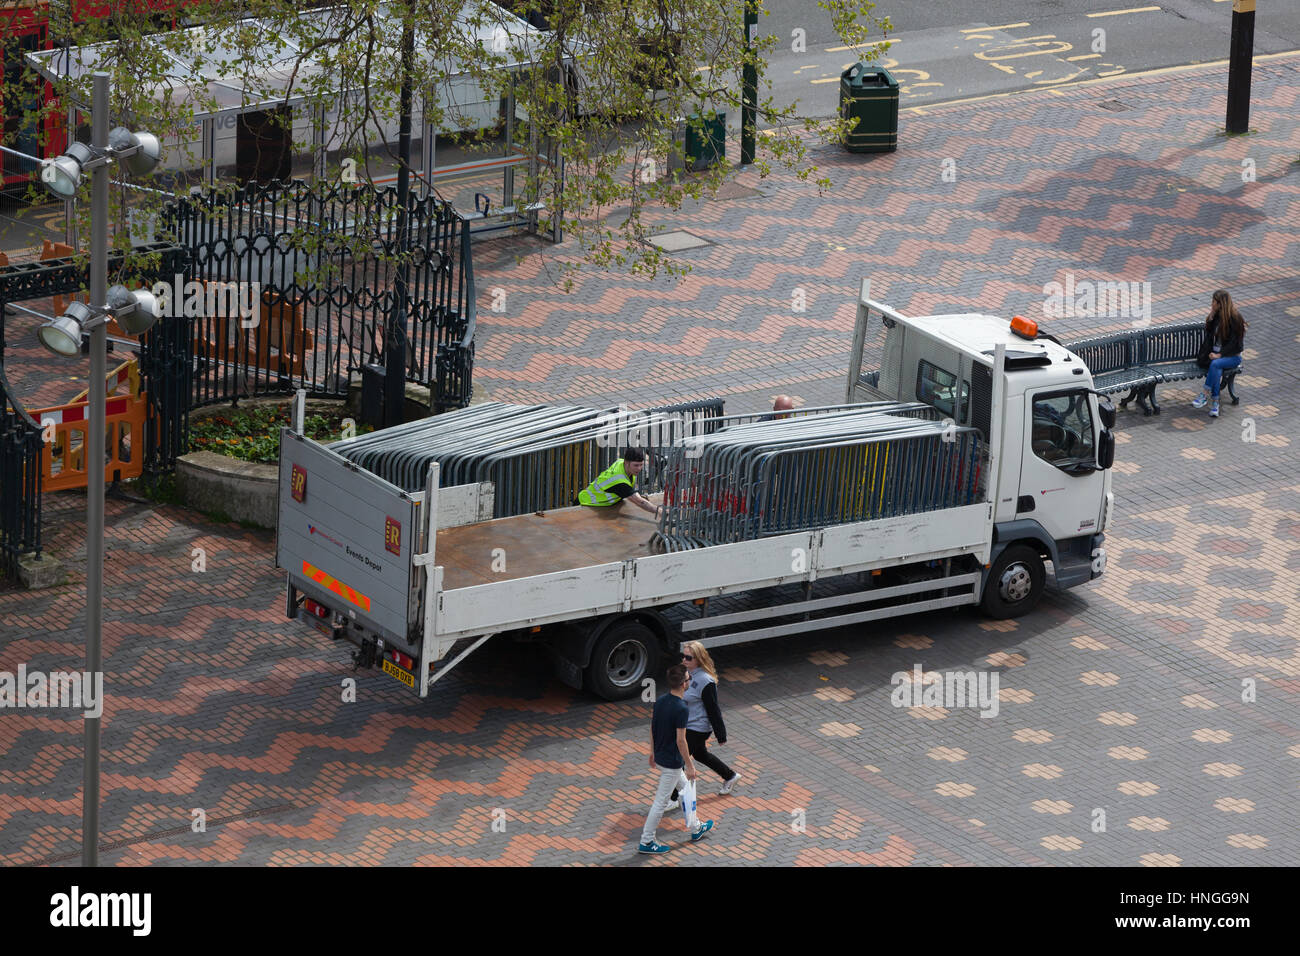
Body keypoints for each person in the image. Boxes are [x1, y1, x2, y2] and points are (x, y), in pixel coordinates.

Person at [638, 664, 715, 854]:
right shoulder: (681, 708)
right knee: (660, 802)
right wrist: (689, 766)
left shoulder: (661, 701)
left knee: (686, 791)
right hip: (672, 763)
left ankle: (696, 827)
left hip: (662, 756)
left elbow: (652, 728)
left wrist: (652, 751)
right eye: (689, 679)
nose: (690, 681)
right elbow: (681, 741)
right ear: (683, 684)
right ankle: (647, 841)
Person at [668, 641, 741, 803]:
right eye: (683, 656)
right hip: (686, 724)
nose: (684, 660)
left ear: (699, 659)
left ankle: (672, 799)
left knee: (678, 760)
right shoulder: (685, 673)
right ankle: (730, 776)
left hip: (698, 727)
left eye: (688, 657)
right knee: (700, 754)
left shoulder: (706, 681)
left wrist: (721, 735)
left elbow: (713, 709)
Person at [1191, 289, 1247, 419]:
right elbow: (1210, 334)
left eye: (1213, 302)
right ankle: (1215, 405)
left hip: (1232, 357)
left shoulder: (1235, 319)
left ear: (1220, 303)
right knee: (1216, 368)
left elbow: (1235, 344)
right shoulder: (1217, 316)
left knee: (1216, 365)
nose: (1212, 304)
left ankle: (1204, 394)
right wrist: (1210, 317)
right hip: (1216, 357)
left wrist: (1220, 355)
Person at [576, 447, 661, 517]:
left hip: (598, 505)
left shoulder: (621, 463)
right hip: (585, 505)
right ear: (626, 463)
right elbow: (639, 502)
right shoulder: (619, 482)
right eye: (636, 465)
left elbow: (630, 488)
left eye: (641, 465)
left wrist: (636, 494)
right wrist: (661, 512)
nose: (639, 468)